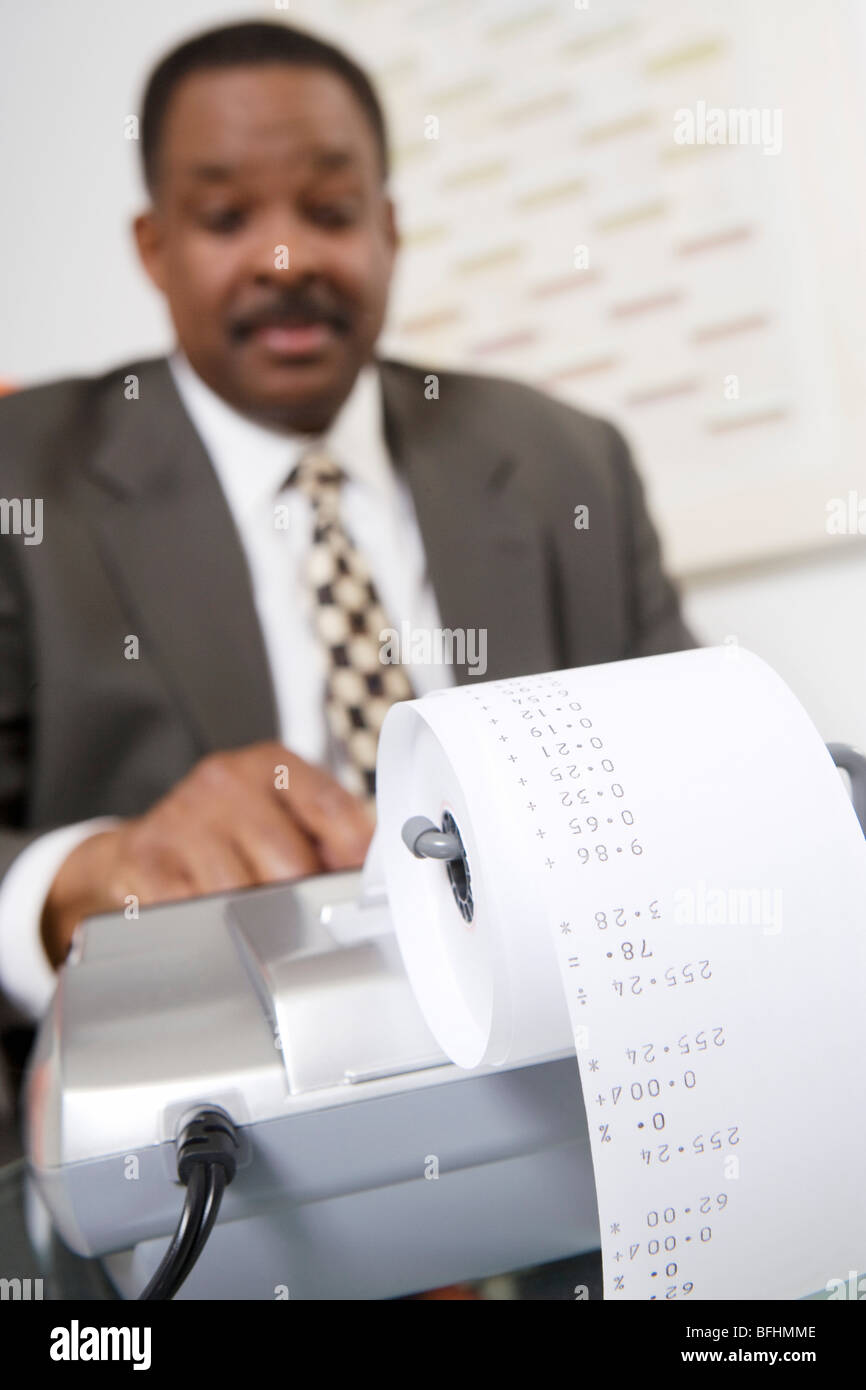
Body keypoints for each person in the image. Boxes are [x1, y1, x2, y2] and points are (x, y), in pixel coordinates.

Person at [0, 19, 696, 1023]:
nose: (285, 260)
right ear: (154, 248)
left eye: (328, 209)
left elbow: (686, 772)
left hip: (547, 1055)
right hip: (199, 1102)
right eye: (226, 216)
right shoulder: (24, 473)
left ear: (388, 228)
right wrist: (76, 878)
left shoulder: (565, 460)